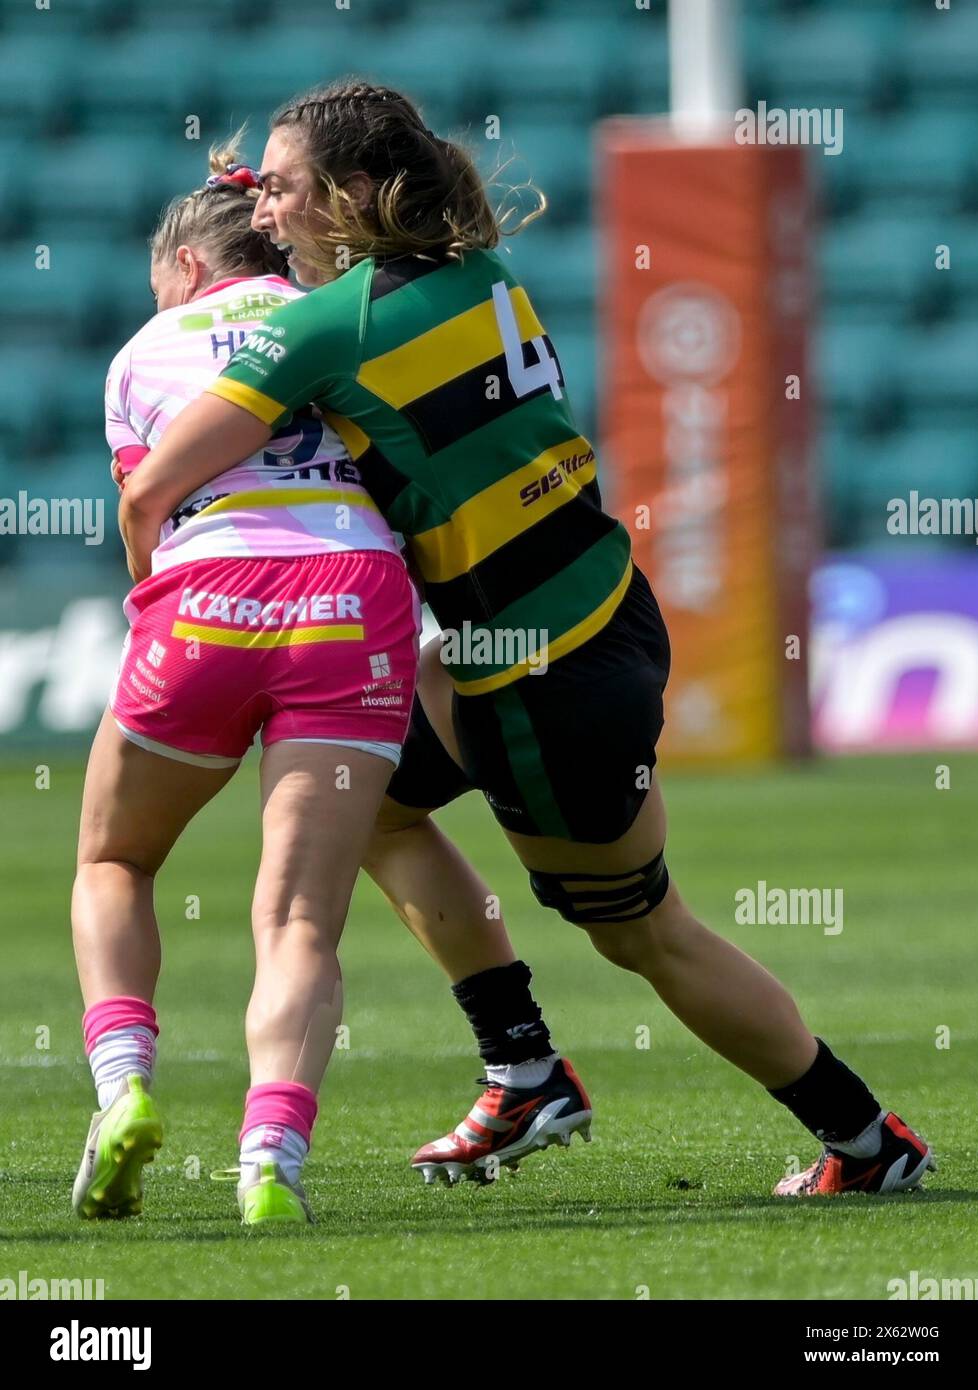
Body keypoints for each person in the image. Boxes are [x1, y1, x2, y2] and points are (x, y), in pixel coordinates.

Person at [128, 81, 933, 1198]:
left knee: (646, 932)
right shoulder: (477, 268)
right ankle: (522, 1070)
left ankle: (866, 1142)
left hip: (535, 679)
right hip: (588, 613)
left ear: (354, 193)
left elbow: (161, 481)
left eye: (282, 188)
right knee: (375, 805)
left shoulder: (324, 327)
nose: (263, 210)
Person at [71, 144, 420, 1227]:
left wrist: (161, 607)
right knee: (301, 918)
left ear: (182, 264)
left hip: (207, 592)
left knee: (115, 857)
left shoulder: (137, 358)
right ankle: (270, 1156)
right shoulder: (342, 314)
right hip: (353, 594)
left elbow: (147, 506)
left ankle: (124, 1088)